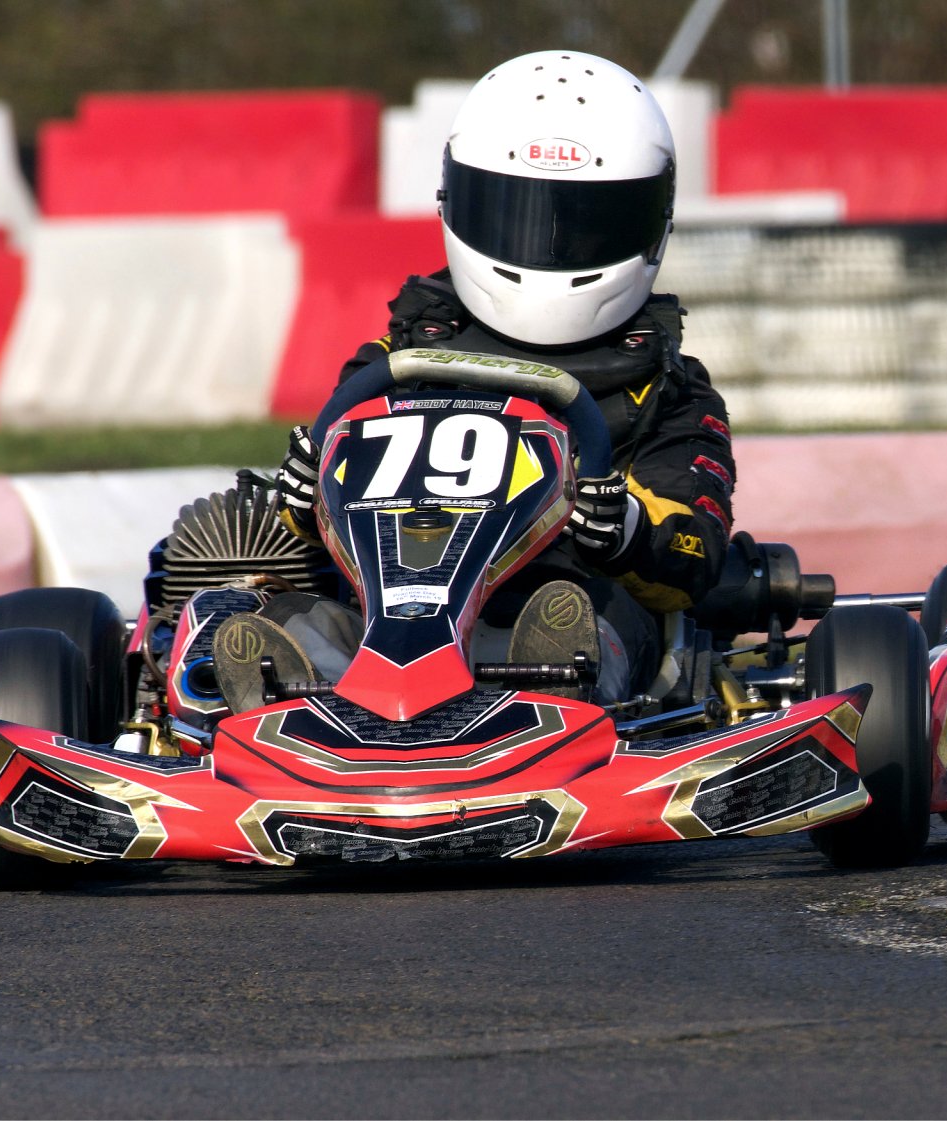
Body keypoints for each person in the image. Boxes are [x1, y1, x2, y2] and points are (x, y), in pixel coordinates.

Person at [218, 50, 735, 712]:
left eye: (586, 225)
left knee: (587, 616)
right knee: (294, 615)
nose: (546, 246)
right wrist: (303, 494)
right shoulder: (397, 359)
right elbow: (329, 509)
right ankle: (288, 703)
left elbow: (695, 550)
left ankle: (551, 696)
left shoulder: (668, 392)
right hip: (391, 616)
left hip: (564, 607)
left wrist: (627, 526)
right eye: (516, 214)